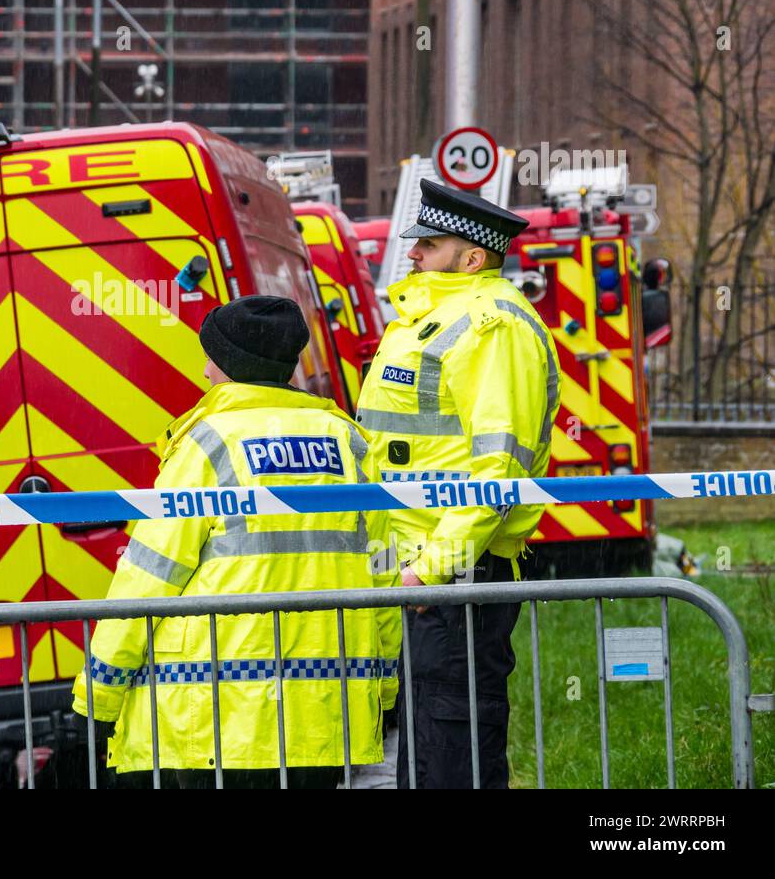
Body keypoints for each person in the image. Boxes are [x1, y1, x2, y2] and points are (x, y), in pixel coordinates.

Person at [71, 295, 399, 788]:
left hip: (216, 721)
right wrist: (384, 687)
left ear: (231, 364)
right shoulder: (346, 441)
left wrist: (98, 697)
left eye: (211, 357)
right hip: (324, 717)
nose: (204, 371)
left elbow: (148, 579)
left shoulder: (208, 442)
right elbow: (384, 573)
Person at [355, 179, 559, 789]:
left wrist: (435, 568)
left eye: (430, 243)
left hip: (455, 575)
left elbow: (497, 467)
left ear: (473, 257)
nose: (412, 252)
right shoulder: (431, 317)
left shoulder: (492, 326)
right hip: (420, 569)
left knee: (453, 743)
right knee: (430, 740)